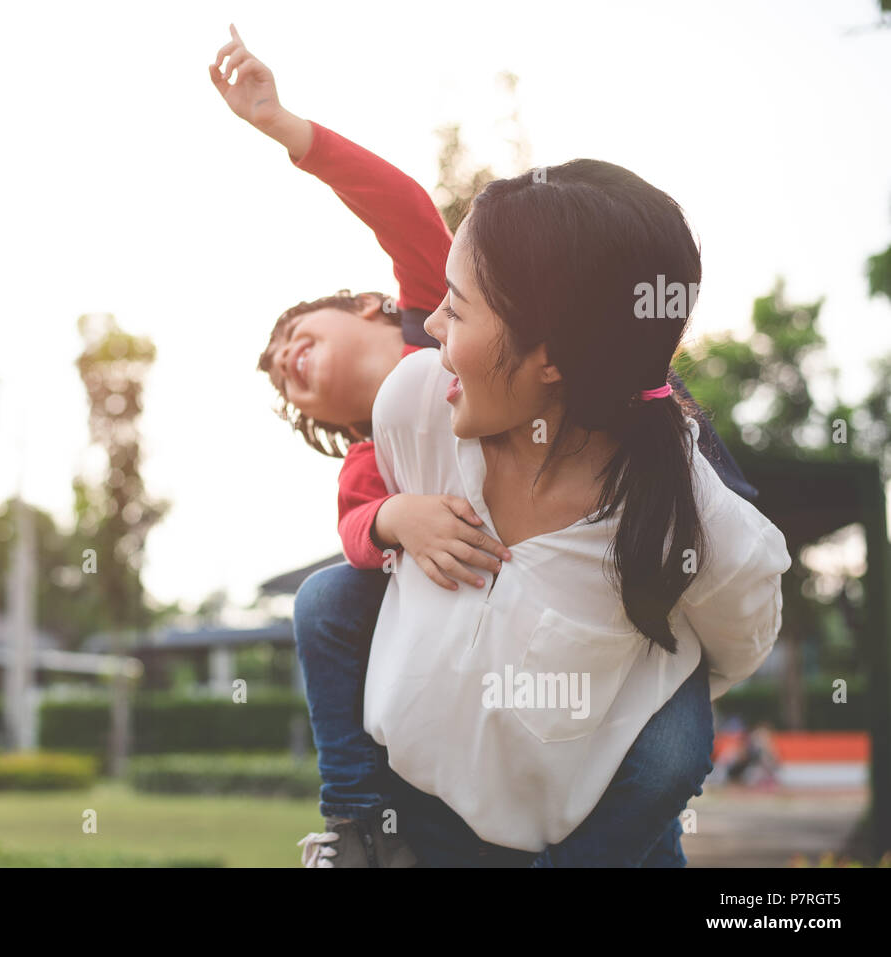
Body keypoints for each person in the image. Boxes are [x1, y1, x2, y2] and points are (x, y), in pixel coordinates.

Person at [210, 24, 764, 867]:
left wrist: (285, 127)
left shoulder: (439, 289)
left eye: (296, 335)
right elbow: (358, 529)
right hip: (489, 677)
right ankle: (357, 825)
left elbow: (394, 198)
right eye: (287, 380)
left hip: (653, 491)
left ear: (364, 306)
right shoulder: (386, 440)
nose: (290, 360)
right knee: (325, 600)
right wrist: (397, 514)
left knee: (671, 740)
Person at [353, 155, 792, 865]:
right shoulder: (414, 408)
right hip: (416, 834)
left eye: (457, 307)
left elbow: (733, 645)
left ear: (550, 359)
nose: (431, 325)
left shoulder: (702, 529)